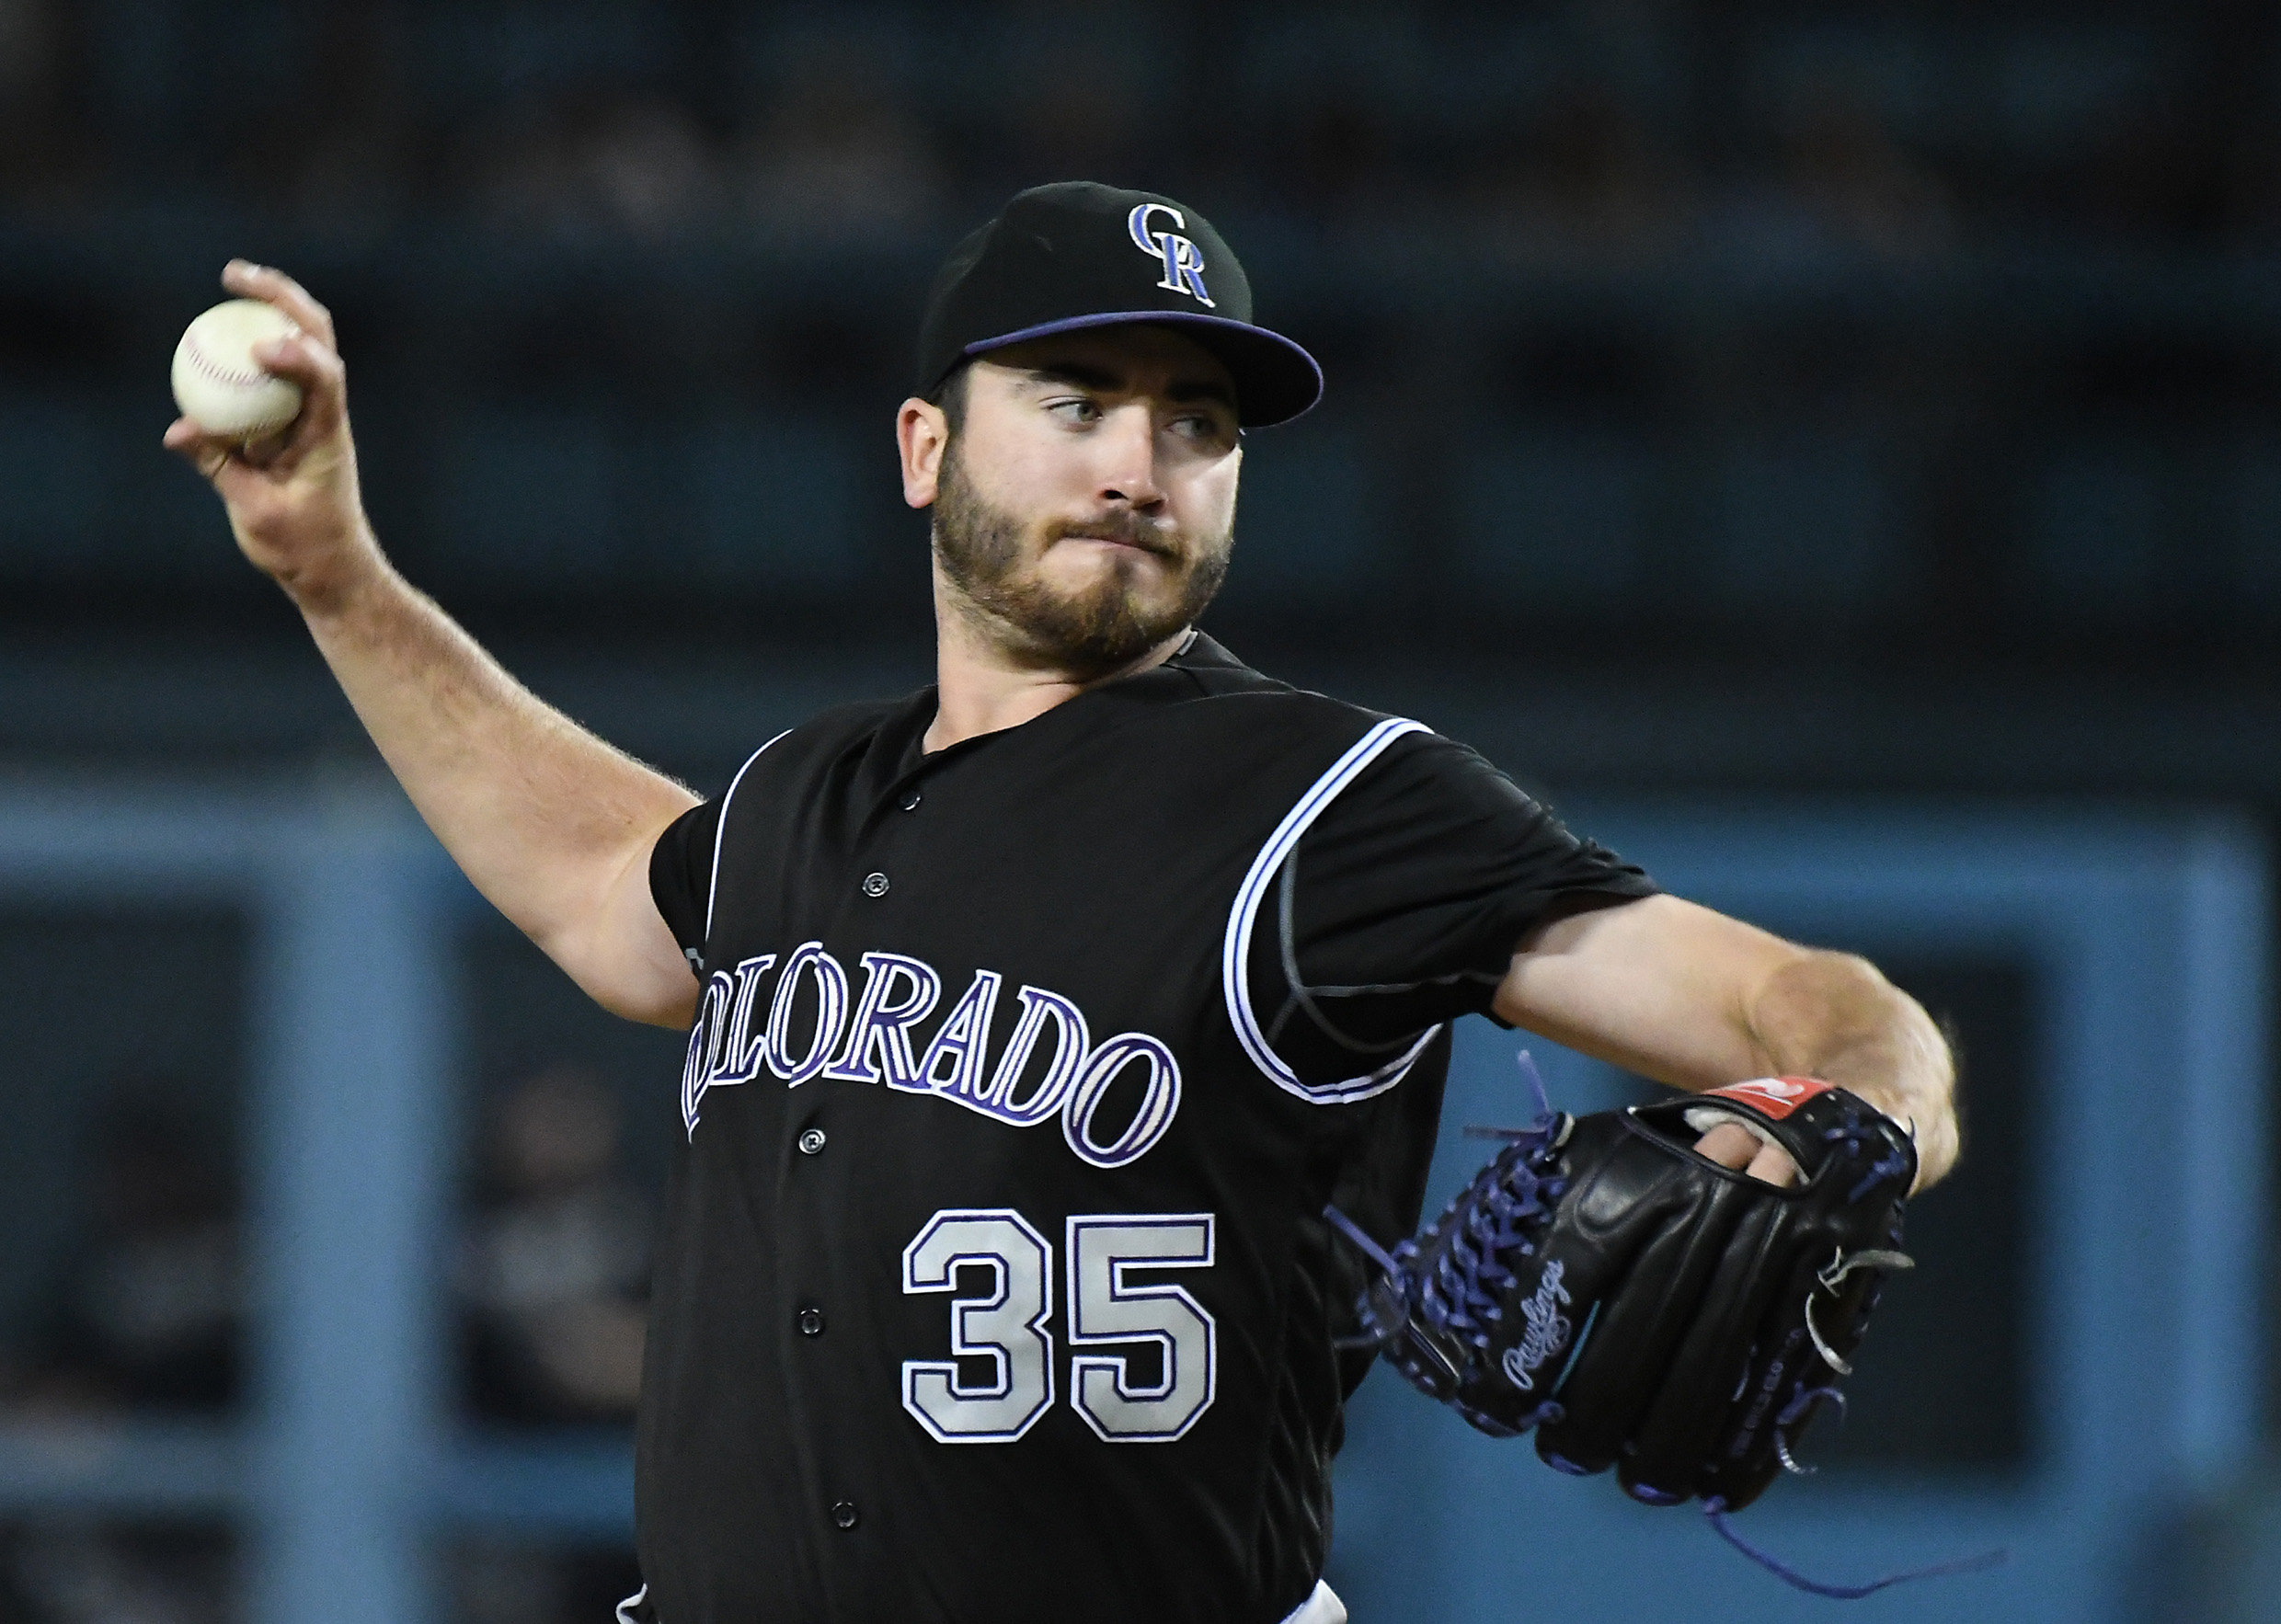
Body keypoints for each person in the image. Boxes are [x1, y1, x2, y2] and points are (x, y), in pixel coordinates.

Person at [166, 181, 1957, 1624]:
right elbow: (595, 887)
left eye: (1196, 424)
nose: (1137, 465)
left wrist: (1841, 1112)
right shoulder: (803, 797)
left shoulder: (1331, 805)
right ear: (925, 450)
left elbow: (1806, 999)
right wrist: (335, 573)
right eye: (1076, 401)